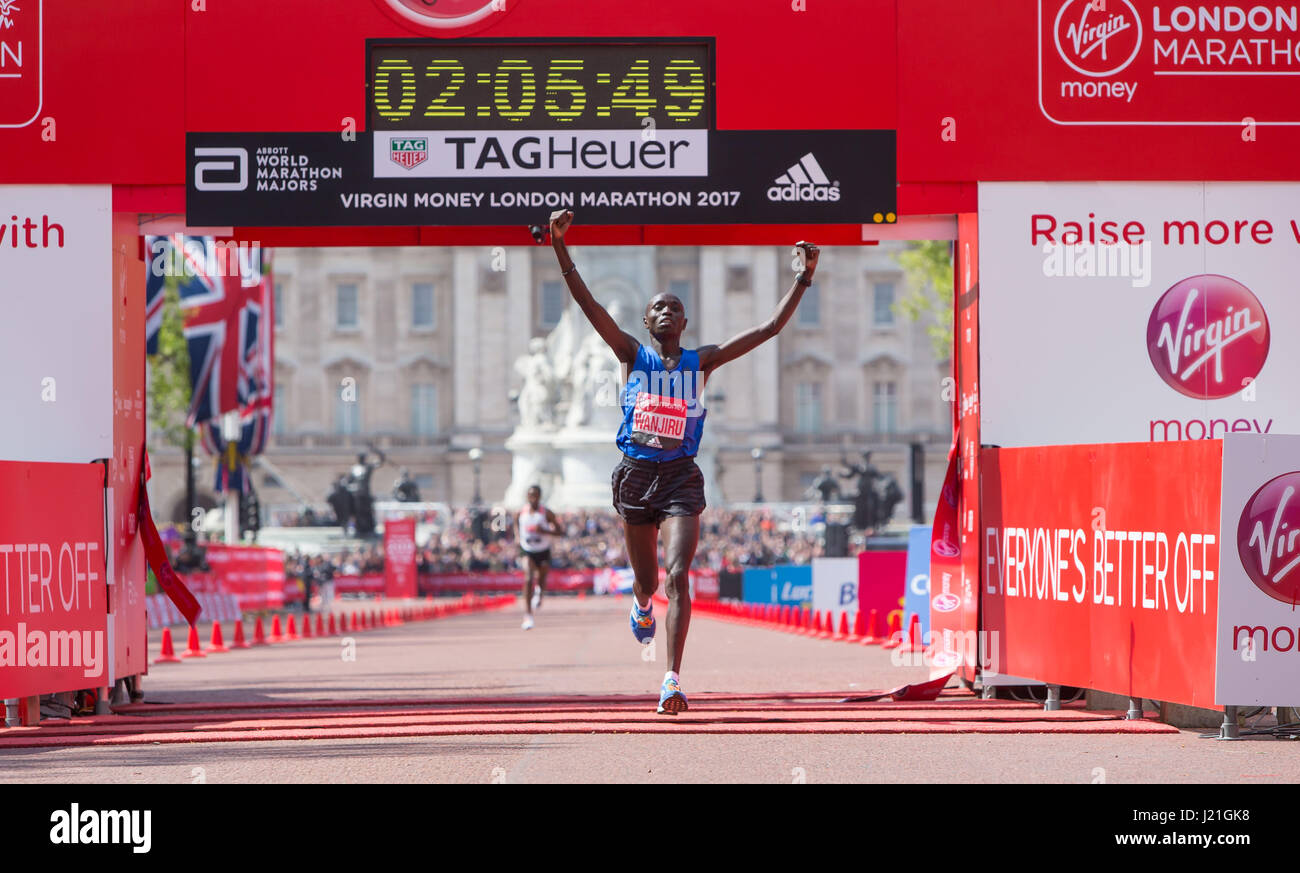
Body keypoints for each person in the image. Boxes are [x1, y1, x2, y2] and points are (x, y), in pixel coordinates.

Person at [547, 208, 819, 714]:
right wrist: (560, 246)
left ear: (684, 322)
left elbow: (769, 328)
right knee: (649, 581)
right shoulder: (630, 353)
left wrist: (803, 279)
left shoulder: (703, 361)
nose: (666, 311)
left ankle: (671, 679)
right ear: (647, 322)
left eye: (674, 306)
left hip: (679, 477)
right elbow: (585, 304)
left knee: (678, 575)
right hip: (633, 476)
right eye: (657, 307)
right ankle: (641, 602)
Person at [517, 485, 563, 630]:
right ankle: (528, 615)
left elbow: (560, 531)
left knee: (542, 579)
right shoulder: (521, 512)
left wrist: (544, 530)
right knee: (528, 578)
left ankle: (540, 592)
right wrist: (517, 537)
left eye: (536, 495)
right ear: (527, 496)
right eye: (531, 495)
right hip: (527, 550)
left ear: (540, 496)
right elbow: (515, 526)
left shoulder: (546, 513)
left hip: (543, 550)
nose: (533, 498)